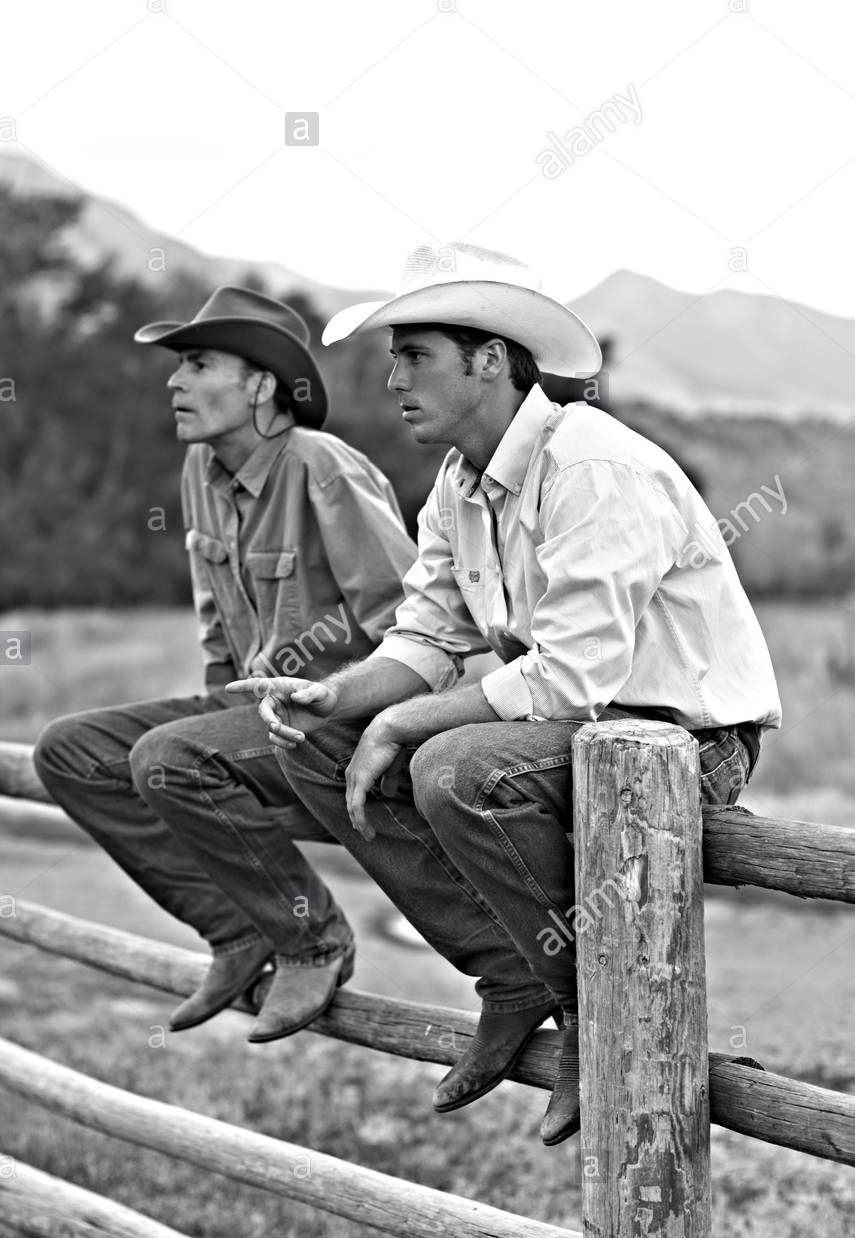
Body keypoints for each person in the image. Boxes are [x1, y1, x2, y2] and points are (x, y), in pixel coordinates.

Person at [229, 243, 782, 1144]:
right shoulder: (457, 483)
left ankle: (587, 1014)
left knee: (453, 768)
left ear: (488, 359)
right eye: (392, 359)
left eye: (415, 356)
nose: (392, 380)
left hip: (687, 740)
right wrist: (338, 698)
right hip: (576, 733)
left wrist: (406, 718)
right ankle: (514, 972)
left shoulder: (591, 467)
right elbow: (428, 635)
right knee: (323, 744)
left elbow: (572, 674)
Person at [34, 286, 417, 1042]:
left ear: (261, 385)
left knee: (166, 759)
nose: (173, 382)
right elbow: (218, 629)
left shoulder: (322, 468)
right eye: (178, 366)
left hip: (340, 722)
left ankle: (314, 940)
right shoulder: (200, 475)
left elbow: (413, 624)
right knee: (70, 752)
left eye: (198, 363)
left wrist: (352, 709)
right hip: (257, 721)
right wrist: (219, 733)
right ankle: (238, 930)